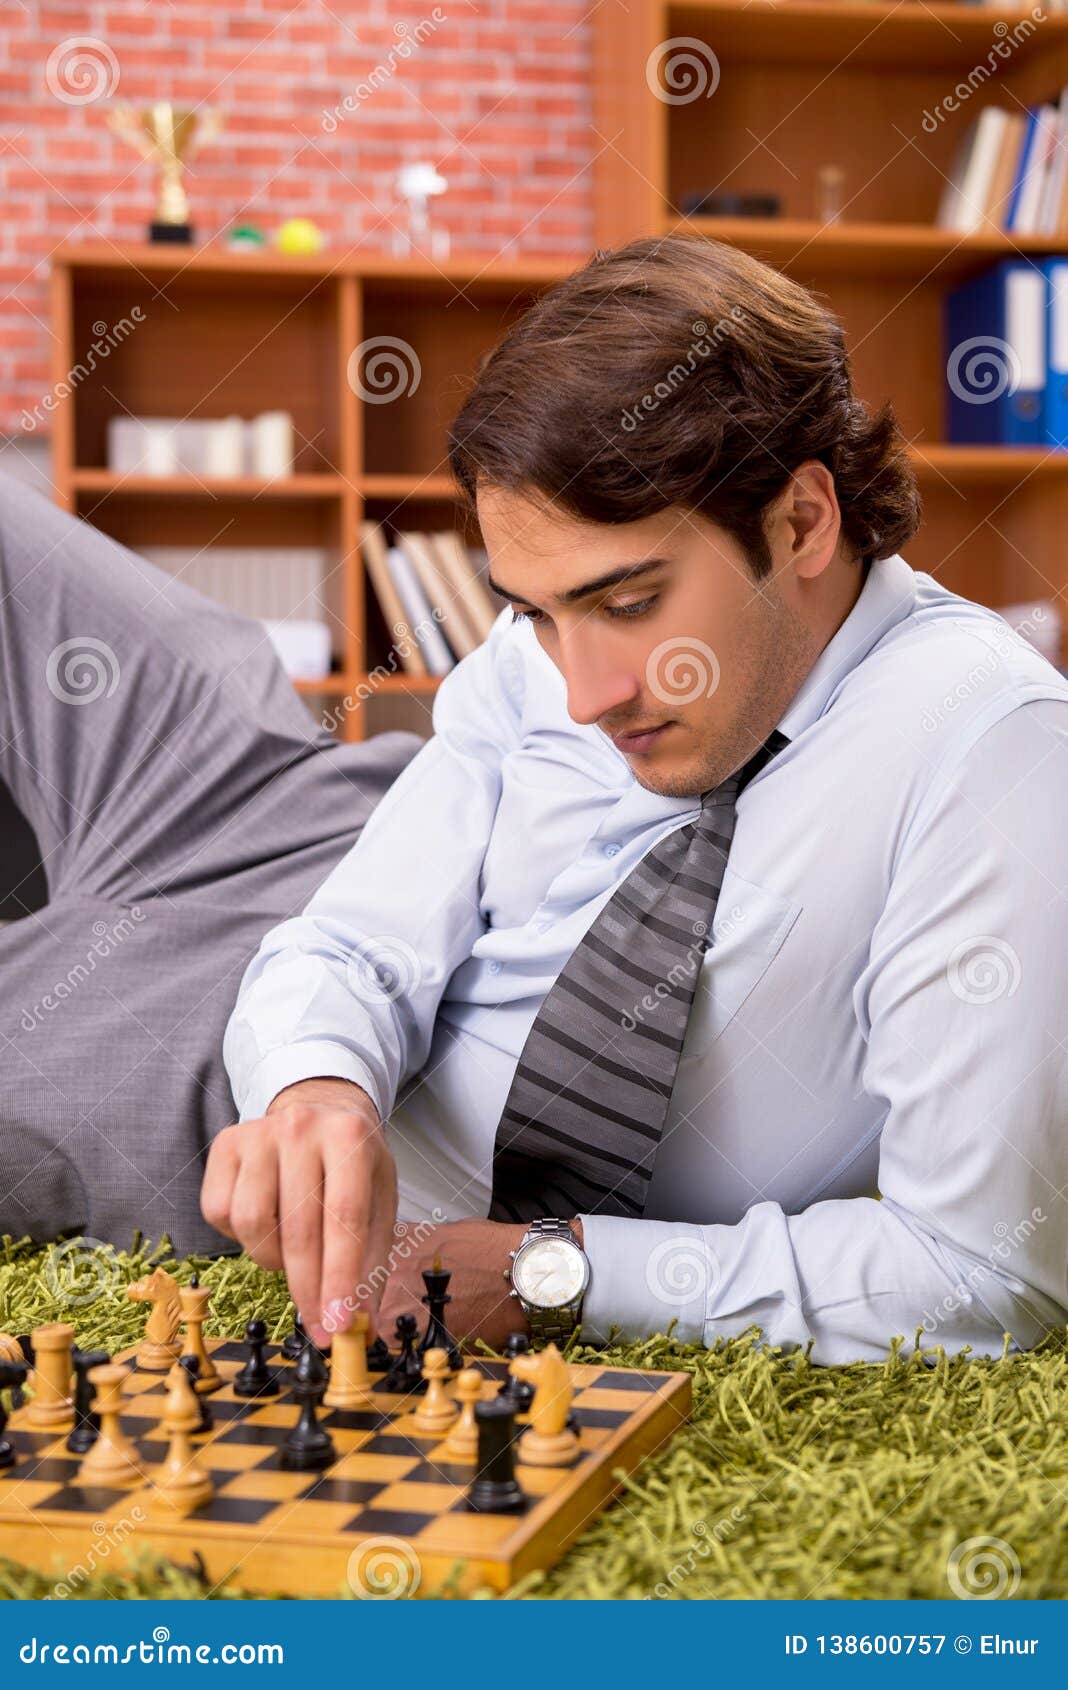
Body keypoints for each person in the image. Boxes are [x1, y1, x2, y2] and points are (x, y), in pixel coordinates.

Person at [5, 235, 1068, 1367]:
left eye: (630, 601)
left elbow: (983, 1268)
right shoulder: (555, 660)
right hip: (292, 817)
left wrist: (544, 1271)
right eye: (536, 614)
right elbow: (351, 946)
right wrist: (315, 1083)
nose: (579, 694)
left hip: (190, 1066)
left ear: (803, 521)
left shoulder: (987, 751)